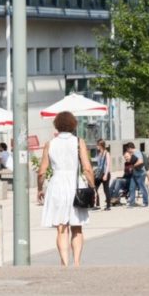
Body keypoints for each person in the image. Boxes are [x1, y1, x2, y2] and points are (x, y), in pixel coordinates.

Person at [37, 111, 95, 267]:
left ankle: (64, 262)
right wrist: (93, 187)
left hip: (57, 185)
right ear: (73, 125)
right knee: (77, 227)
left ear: (57, 125)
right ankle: (76, 263)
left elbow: (42, 171)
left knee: (61, 228)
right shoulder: (78, 142)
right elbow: (87, 168)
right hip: (75, 185)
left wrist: (39, 189)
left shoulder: (50, 144)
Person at [127, 143, 149, 208]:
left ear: (130, 148)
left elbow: (141, 161)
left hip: (140, 174)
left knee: (142, 188)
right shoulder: (133, 153)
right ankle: (132, 202)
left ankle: (145, 202)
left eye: (128, 149)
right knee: (132, 188)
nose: (128, 151)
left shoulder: (137, 152)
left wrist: (133, 166)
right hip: (135, 173)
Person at [93, 139, 111, 210]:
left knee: (106, 189)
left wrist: (106, 175)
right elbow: (98, 165)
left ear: (101, 145)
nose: (96, 146)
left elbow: (108, 165)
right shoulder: (98, 153)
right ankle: (97, 205)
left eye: (97, 145)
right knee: (95, 188)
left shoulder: (107, 153)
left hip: (105, 173)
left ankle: (108, 205)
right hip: (99, 174)